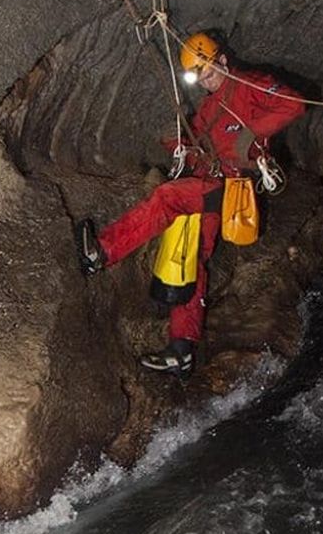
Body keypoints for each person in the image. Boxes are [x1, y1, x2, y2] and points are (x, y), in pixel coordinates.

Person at [73, 32, 306, 374]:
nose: (208, 81)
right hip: (213, 183)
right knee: (193, 257)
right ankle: (182, 348)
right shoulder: (212, 105)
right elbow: (198, 139)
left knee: (168, 198)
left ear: (223, 60)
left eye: (211, 71)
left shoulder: (249, 83)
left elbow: (294, 104)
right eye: (202, 77)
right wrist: (177, 142)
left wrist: (249, 134)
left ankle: (102, 252)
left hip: (234, 187)